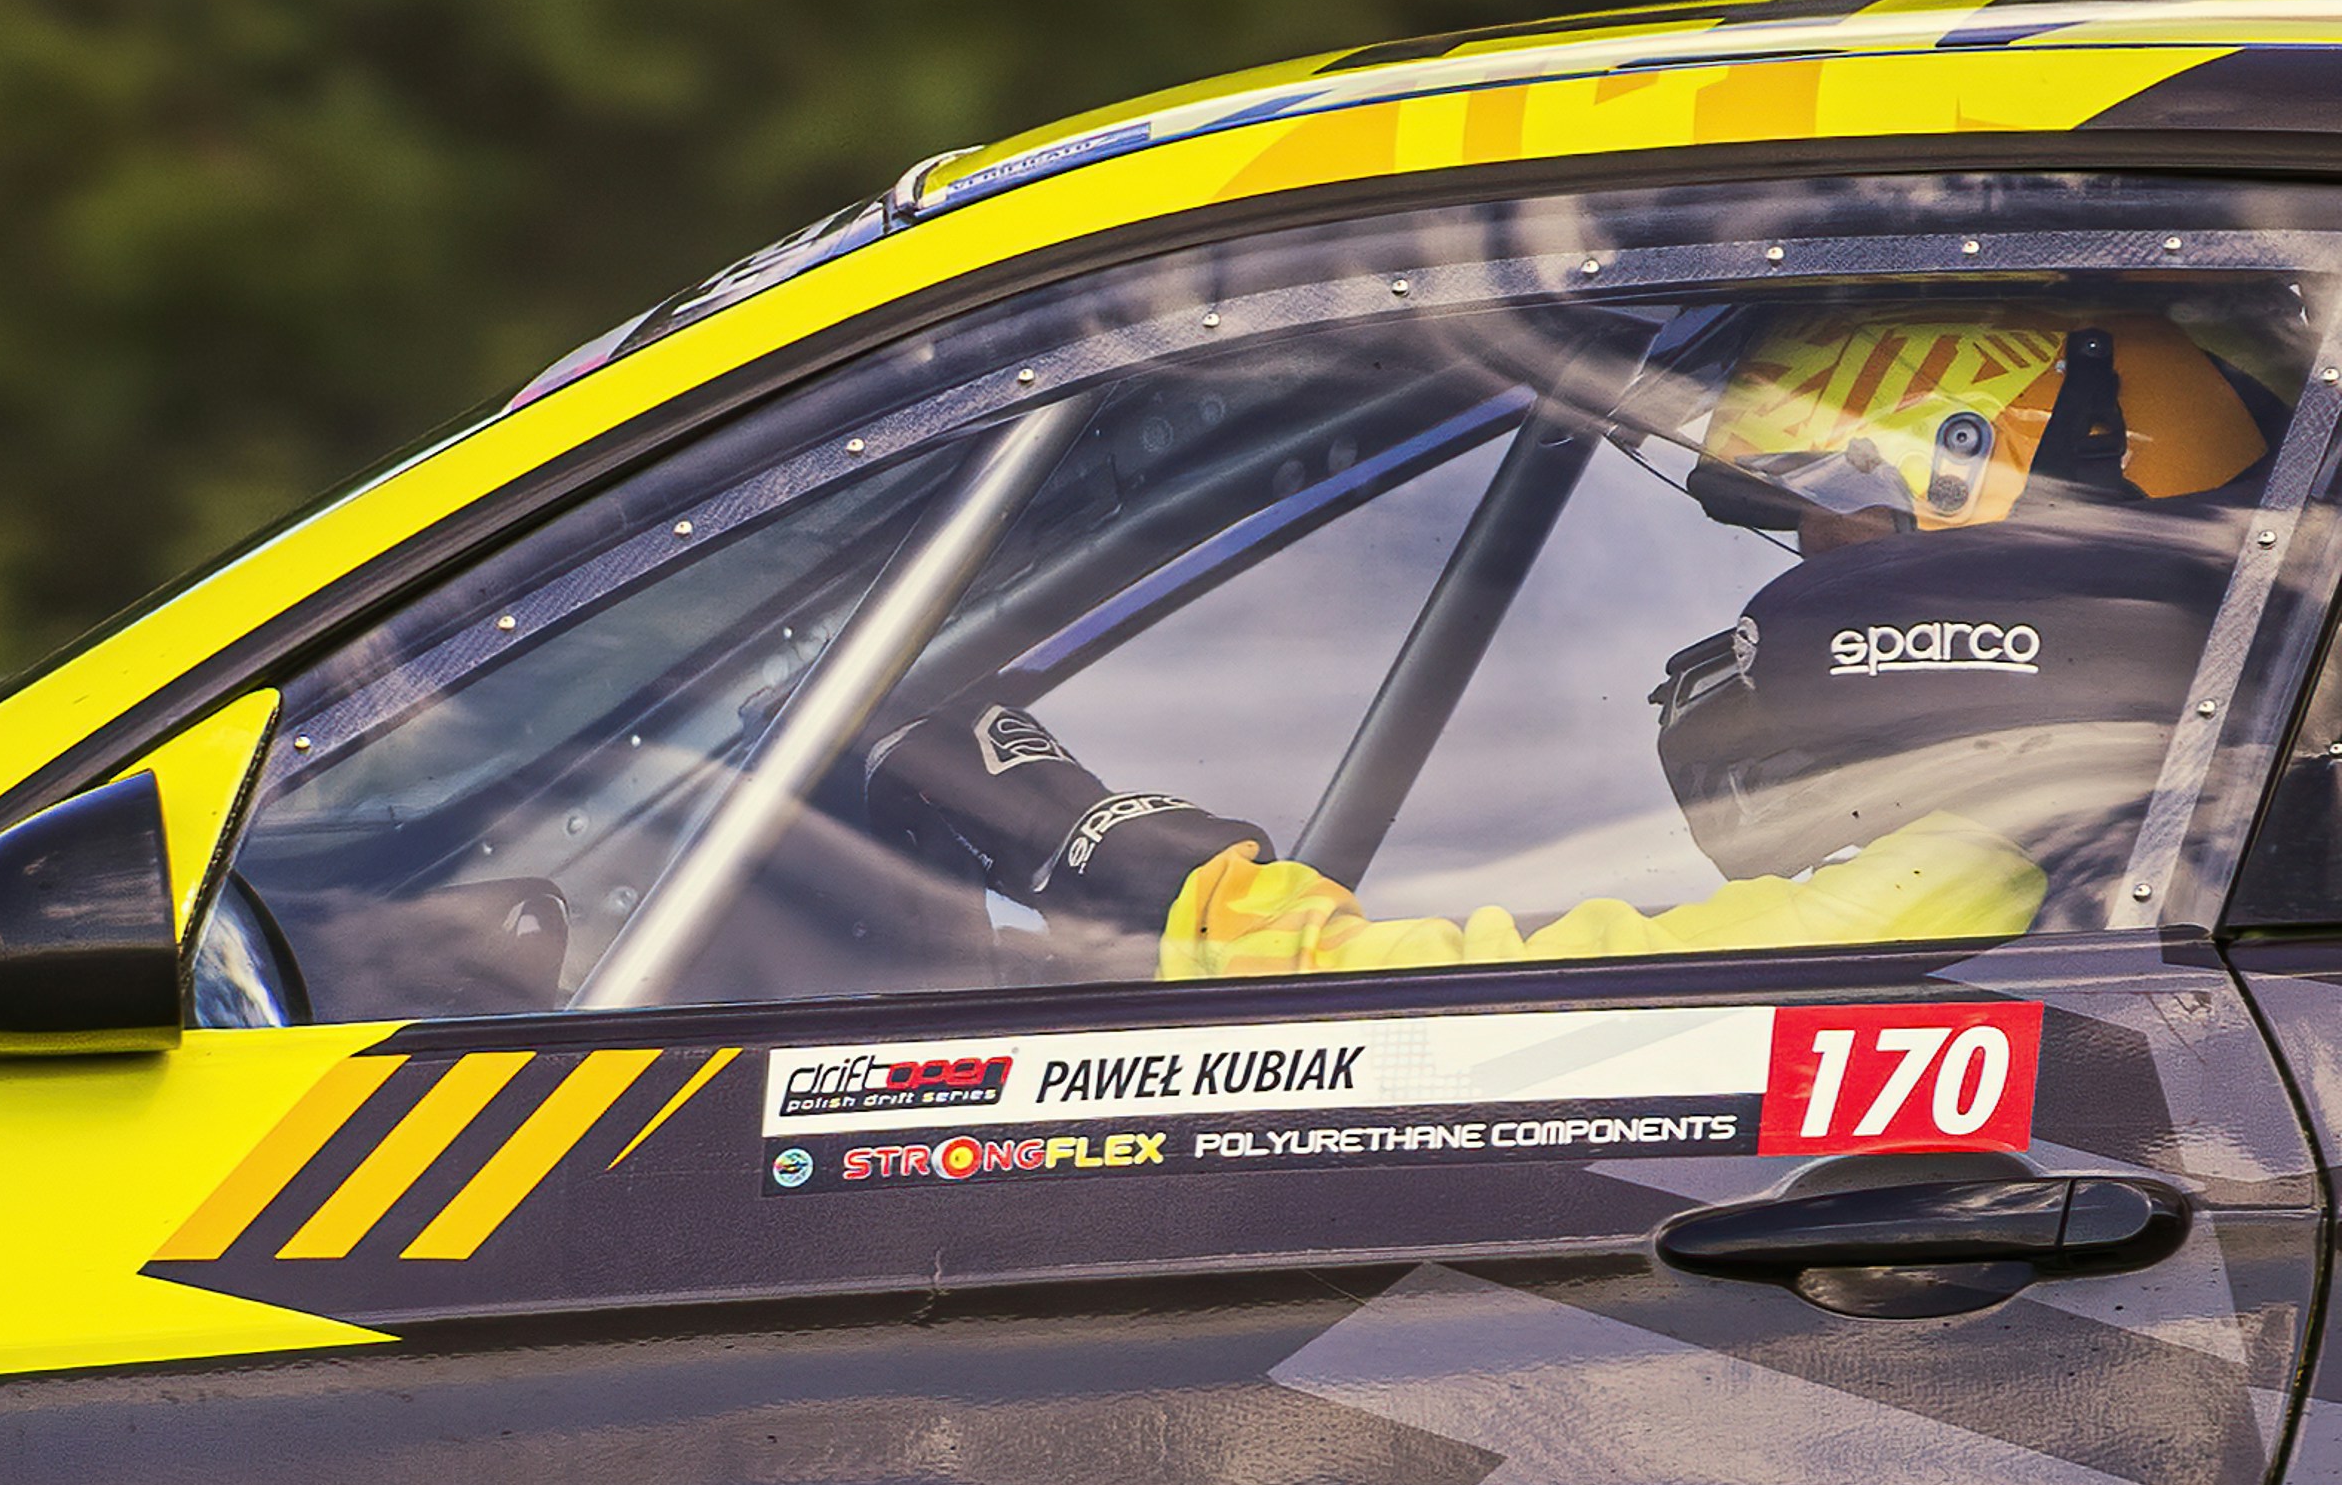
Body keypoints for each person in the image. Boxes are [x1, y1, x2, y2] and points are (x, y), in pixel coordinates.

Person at [857, 308, 2271, 981]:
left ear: (1976, 485)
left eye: (1823, 519)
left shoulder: (2030, 853)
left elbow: (1508, 1020)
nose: (1802, 571)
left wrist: (1152, 876)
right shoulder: (2192, 811)